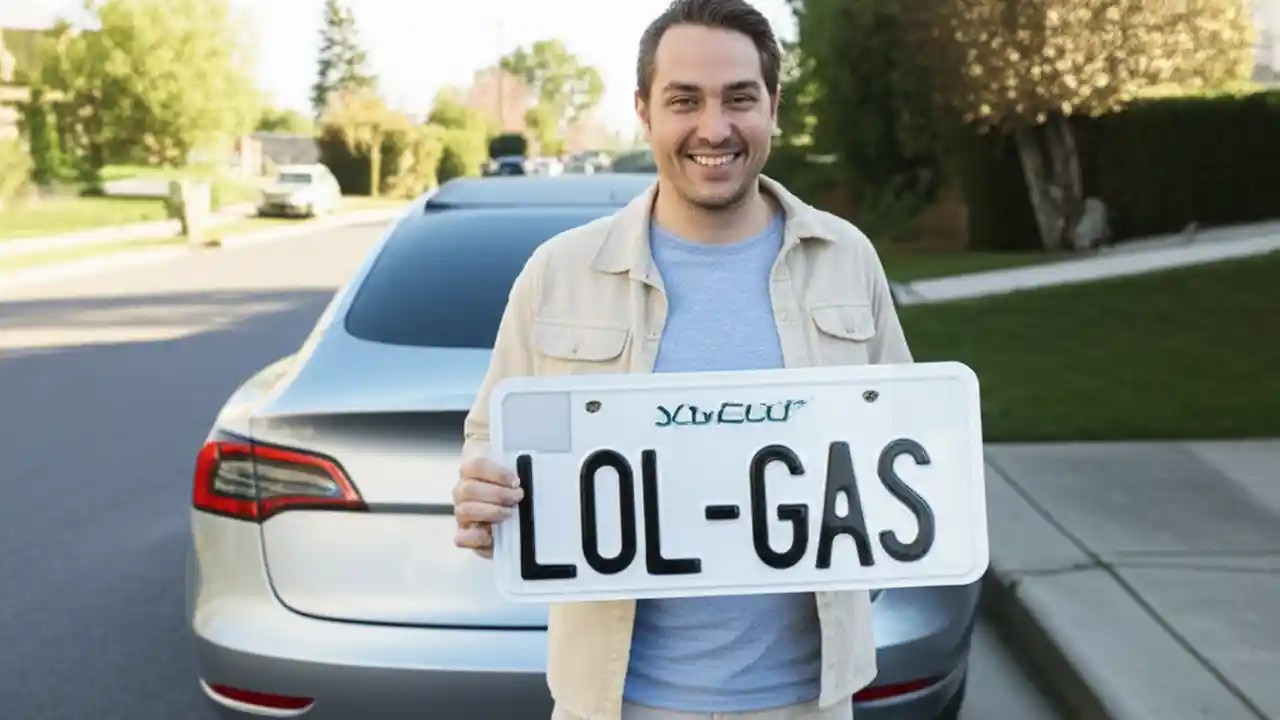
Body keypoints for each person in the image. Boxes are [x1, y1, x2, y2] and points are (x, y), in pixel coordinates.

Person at [452, 0, 913, 718]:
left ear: (773, 107)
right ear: (644, 111)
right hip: (617, 703)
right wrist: (486, 498)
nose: (714, 128)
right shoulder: (559, 273)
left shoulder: (847, 261)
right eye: (684, 101)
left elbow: (904, 438)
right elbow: (494, 440)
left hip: (807, 701)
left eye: (739, 99)